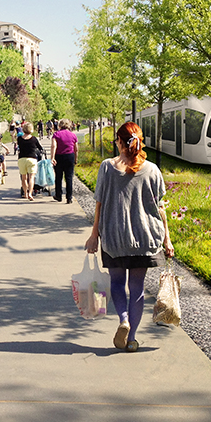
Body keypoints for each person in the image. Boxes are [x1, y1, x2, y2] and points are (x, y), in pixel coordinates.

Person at [85, 121, 174, 352]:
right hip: (144, 238)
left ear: (120, 142)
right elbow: (160, 207)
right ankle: (132, 338)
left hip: (114, 236)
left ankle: (122, 318)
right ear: (139, 141)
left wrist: (94, 234)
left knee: (116, 282)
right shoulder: (152, 170)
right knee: (137, 287)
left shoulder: (107, 167)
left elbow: (99, 204)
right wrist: (167, 239)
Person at [51, 118, 78, 203]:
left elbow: (53, 146)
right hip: (69, 156)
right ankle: (69, 197)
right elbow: (76, 149)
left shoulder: (56, 134)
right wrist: (75, 158)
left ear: (59, 125)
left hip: (59, 156)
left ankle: (58, 195)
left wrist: (52, 157)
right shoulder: (73, 135)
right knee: (69, 177)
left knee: (58, 177)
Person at [16, 122, 44, 200]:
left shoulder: (19, 139)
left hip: (22, 159)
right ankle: (30, 193)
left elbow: (19, 146)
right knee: (31, 177)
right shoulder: (34, 139)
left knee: (24, 177)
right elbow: (40, 147)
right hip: (32, 159)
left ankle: (25, 193)